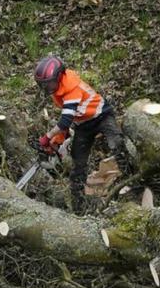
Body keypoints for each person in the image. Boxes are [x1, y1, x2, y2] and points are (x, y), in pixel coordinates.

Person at [34, 55, 130, 213]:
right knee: (77, 163)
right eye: (44, 85)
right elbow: (68, 119)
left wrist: (48, 137)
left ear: (59, 76)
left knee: (116, 143)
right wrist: (57, 140)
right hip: (83, 124)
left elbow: (65, 122)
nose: (47, 87)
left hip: (101, 115)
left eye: (49, 83)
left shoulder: (72, 87)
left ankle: (131, 179)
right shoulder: (58, 92)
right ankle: (79, 206)